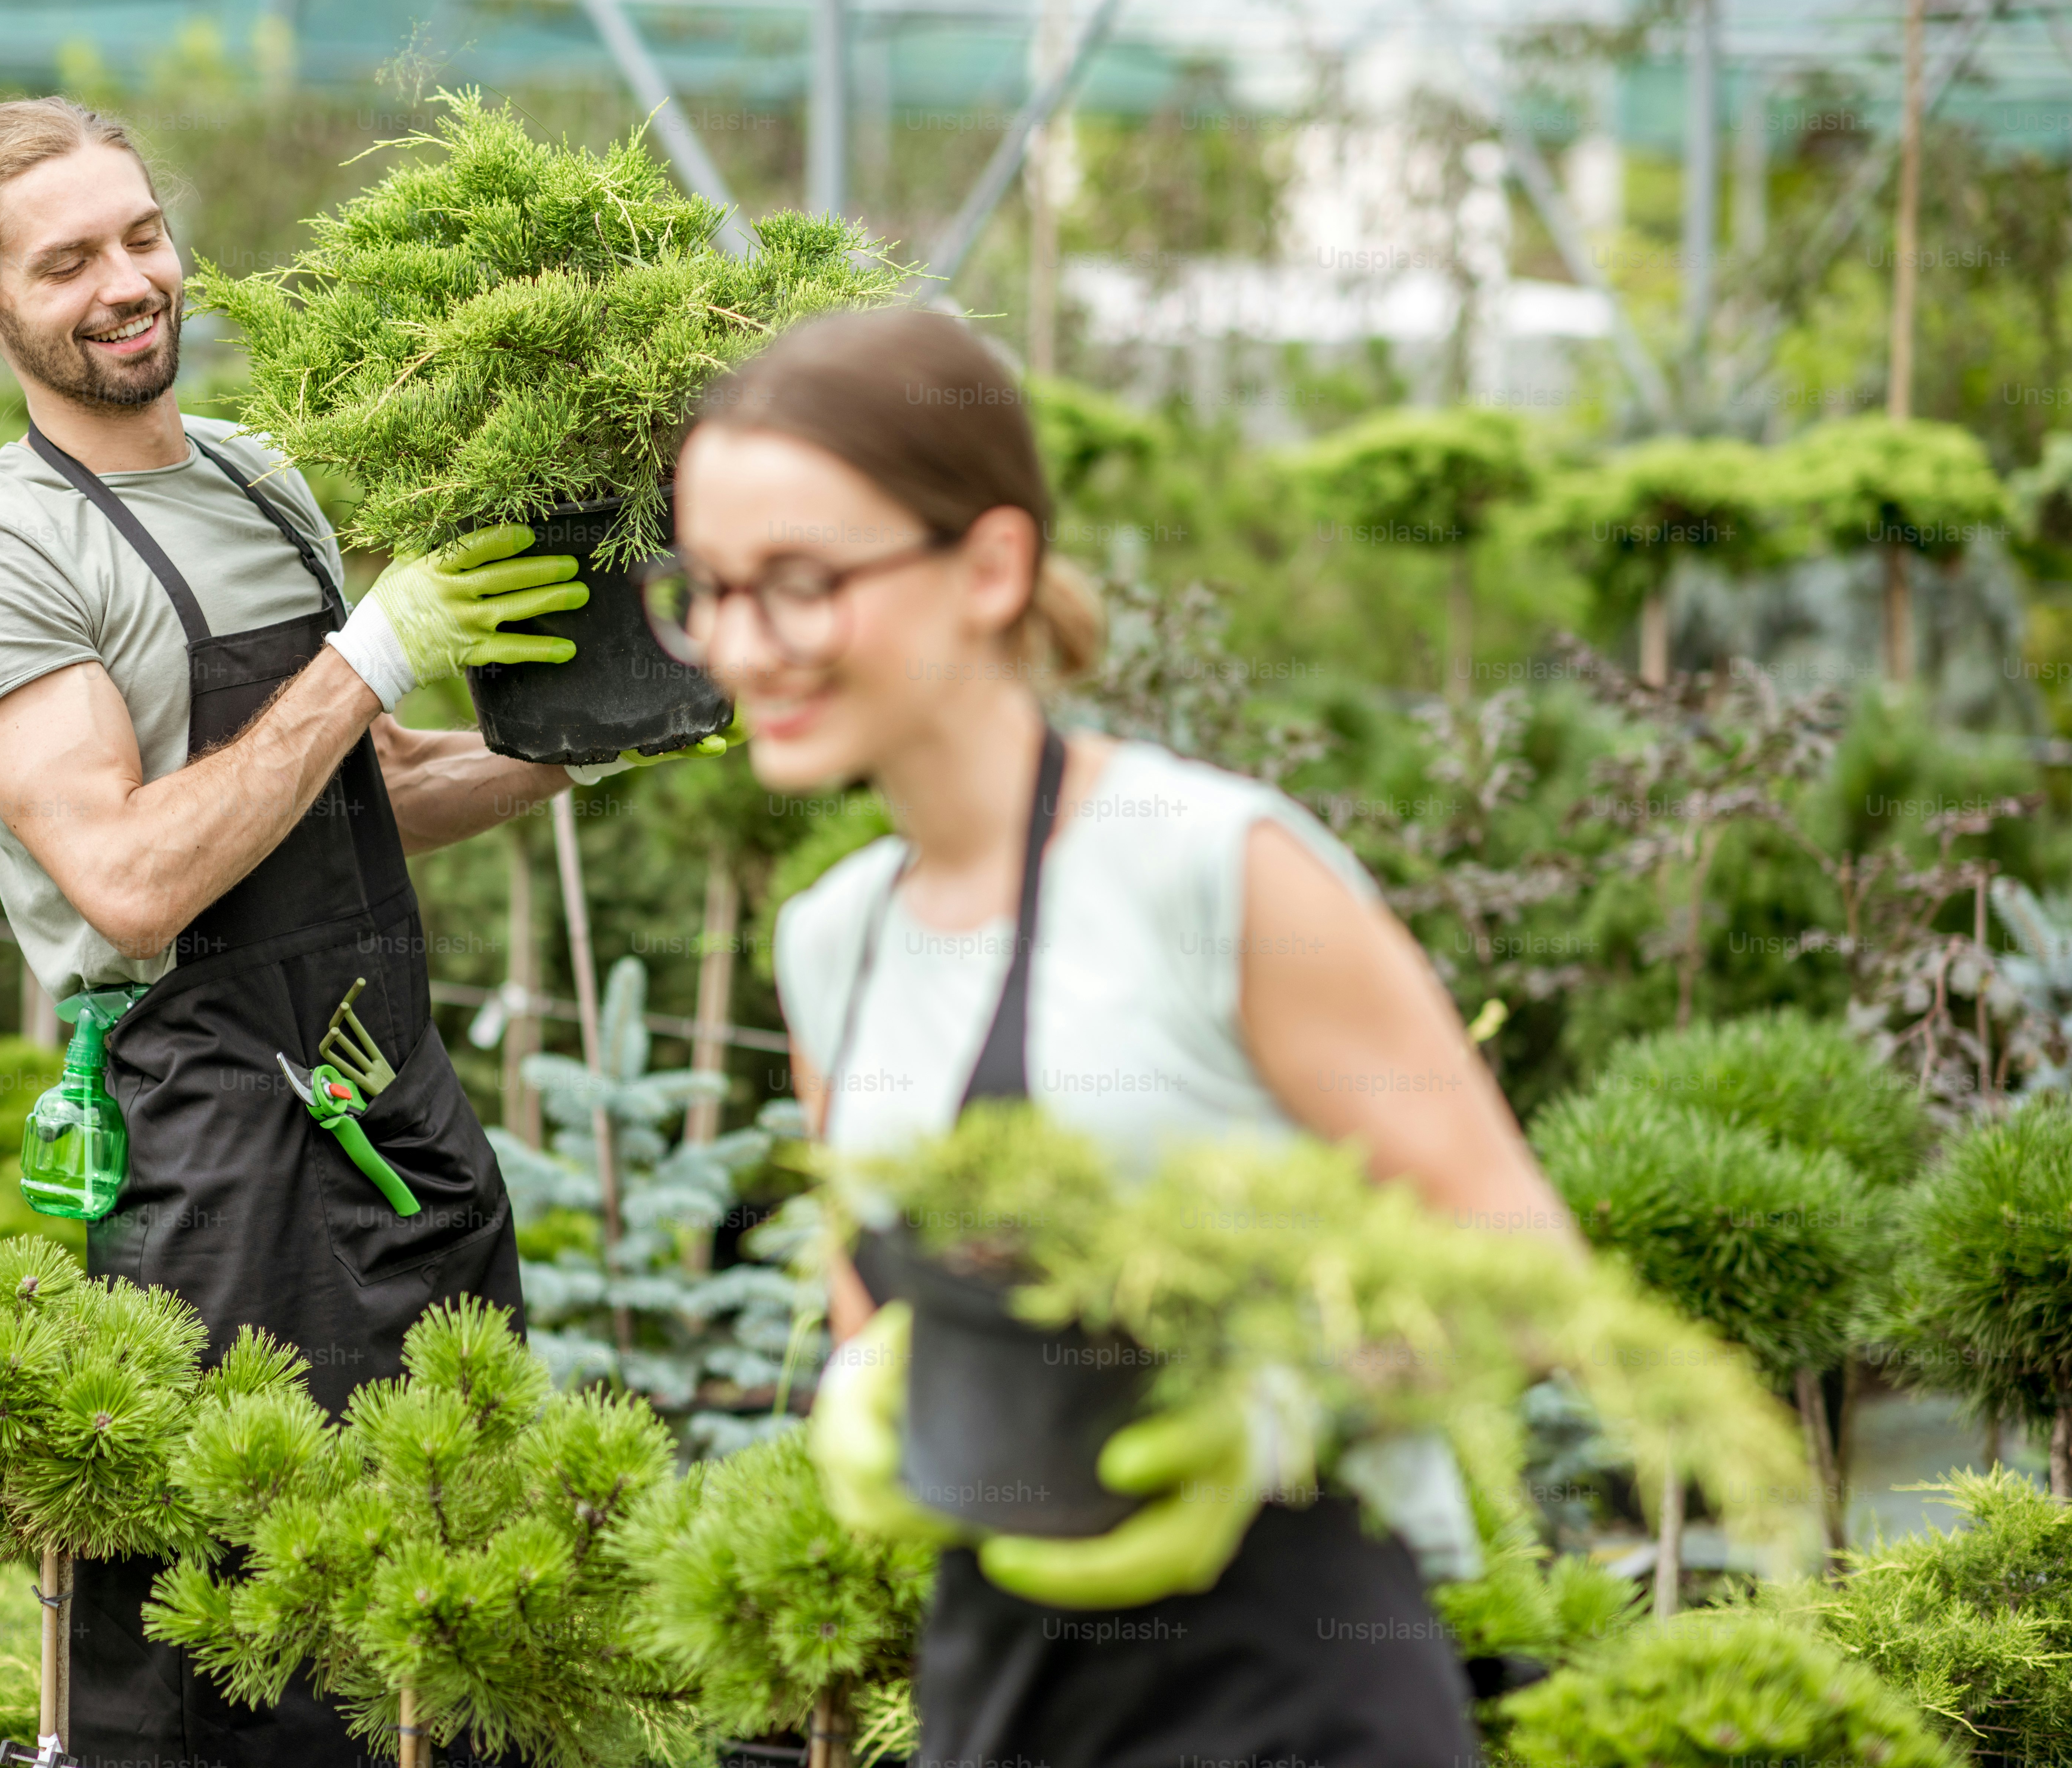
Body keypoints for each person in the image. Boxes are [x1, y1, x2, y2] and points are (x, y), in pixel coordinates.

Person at [0, 98, 706, 1768]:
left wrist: (605, 738)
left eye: (139, 235)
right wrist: (373, 651)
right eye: (67, 264)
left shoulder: (259, 481)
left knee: (452, 1592)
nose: (128, 284)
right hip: (213, 1144)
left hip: (391, 1098)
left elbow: (363, 792)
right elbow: (128, 877)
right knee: (236, 1630)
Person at [659, 305, 1577, 1764]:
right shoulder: (836, 938)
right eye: (705, 589)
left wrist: (1275, 1409)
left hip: (1300, 1695)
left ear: (992, 565)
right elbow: (881, 1317)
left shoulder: (1209, 869)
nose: (734, 644)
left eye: (798, 583)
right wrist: (861, 1393)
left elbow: (1525, 1273)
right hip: (1004, 1697)